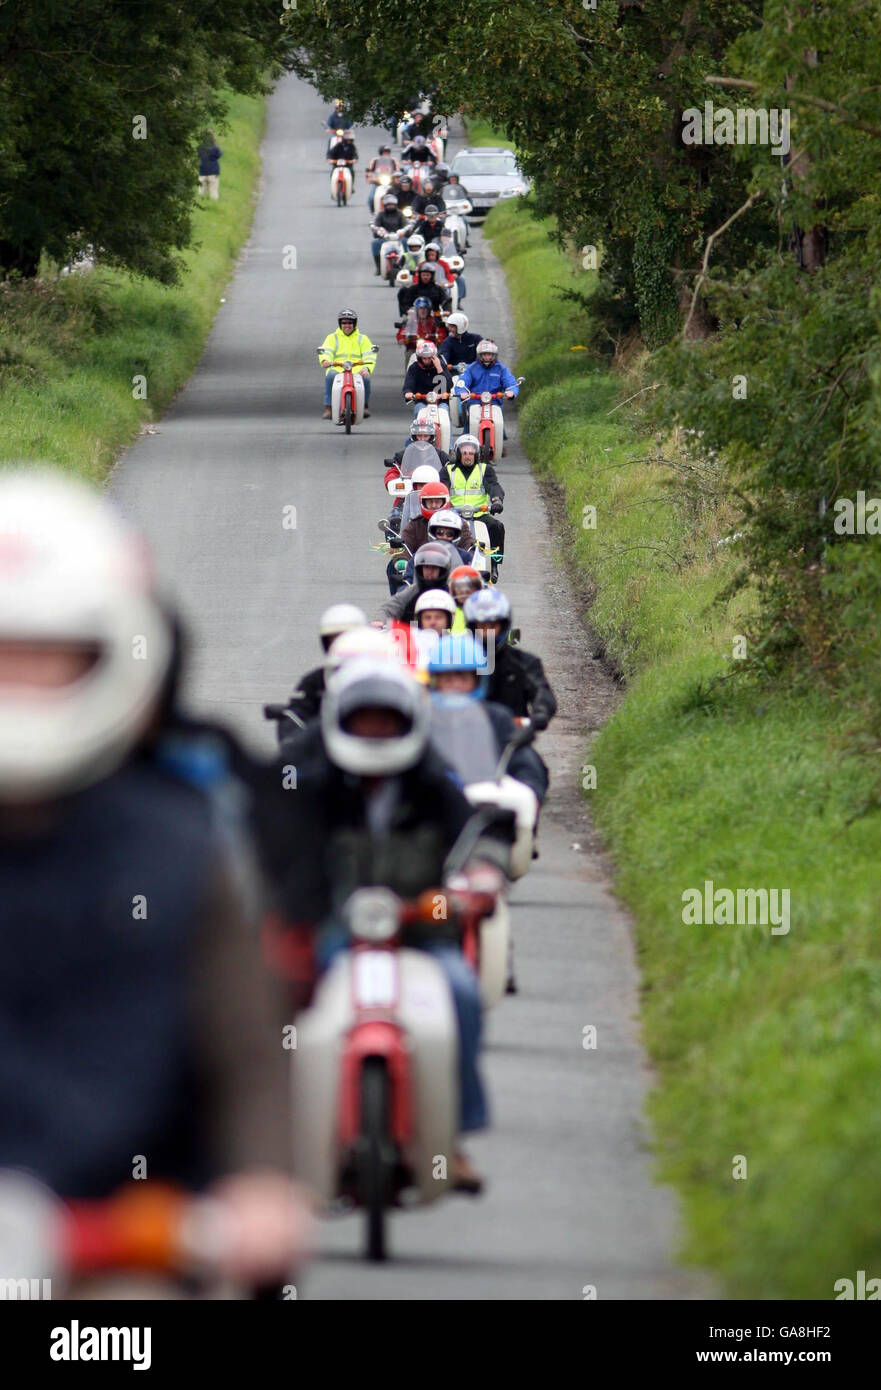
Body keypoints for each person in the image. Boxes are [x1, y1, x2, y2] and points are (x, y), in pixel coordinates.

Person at [0, 470, 311, 1292]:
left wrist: (261, 1189)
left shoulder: (178, 849)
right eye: (2, 655)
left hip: (121, 1246)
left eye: (50, 656)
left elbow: (246, 1047)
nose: (21, 680)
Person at [255, 659, 508, 1190]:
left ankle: (453, 1139)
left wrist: (481, 877)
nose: (374, 730)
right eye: (364, 720)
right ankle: (276, 1138)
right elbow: (274, 847)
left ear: (407, 723)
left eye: (385, 720)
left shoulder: (432, 783)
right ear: (342, 722)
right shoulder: (313, 786)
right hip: (333, 930)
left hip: (422, 925)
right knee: (278, 1000)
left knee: (461, 991)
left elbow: (476, 836)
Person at [426, 632, 549, 806]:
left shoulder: (497, 717)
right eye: (447, 679)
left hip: (486, 808)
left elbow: (524, 763)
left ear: (478, 680)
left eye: (463, 678)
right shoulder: (420, 719)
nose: (455, 686)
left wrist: (529, 791)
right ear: (435, 682)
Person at [464, 589, 557, 733]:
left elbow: (541, 691)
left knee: (530, 757)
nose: (487, 632)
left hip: (513, 740)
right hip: (467, 738)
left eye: (492, 626)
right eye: (482, 627)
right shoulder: (459, 662)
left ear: (504, 626)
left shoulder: (524, 662)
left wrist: (541, 711)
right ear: (471, 627)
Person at [280, 604, 368, 732]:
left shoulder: (380, 678)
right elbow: (296, 713)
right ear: (326, 643)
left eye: (348, 637)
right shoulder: (316, 681)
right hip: (324, 747)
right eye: (335, 639)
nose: (342, 644)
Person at [440, 434, 506, 564]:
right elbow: (441, 489)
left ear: (476, 454)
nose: (468, 456)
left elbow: (493, 486)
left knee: (497, 527)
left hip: (479, 514)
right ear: (458, 454)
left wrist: (496, 500)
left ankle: (494, 562)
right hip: (454, 515)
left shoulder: (485, 470)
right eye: (464, 452)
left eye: (471, 452)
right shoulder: (447, 471)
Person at [319, 309, 376, 420]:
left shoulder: (362, 339)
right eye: (344, 322)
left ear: (354, 324)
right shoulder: (332, 338)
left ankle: (364, 406)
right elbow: (326, 351)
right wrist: (325, 360)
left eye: (350, 323)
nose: (347, 325)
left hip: (356, 370)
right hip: (337, 369)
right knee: (330, 376)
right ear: (340, 324)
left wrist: (367, 368)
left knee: (366, 379)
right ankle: (328, 408)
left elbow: (370, 355)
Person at [381, 541, 455, 624]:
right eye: (426, 567)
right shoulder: (412, 591)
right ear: (420, 569)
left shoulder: (452, 592)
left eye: (434, 568)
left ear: (442, 570)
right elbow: (390, 607)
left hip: (446, 635)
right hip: (413, 634)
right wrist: (380, 621)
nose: (429, 572)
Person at [453, 340, 519, 420]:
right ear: (479, 355)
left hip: (495, 402)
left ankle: (502, 432)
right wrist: (462, 392)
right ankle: (467, 431)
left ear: (494, 355)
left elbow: (510, 382)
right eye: (484, 354)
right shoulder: (471, 368)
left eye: (489, 354)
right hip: (475, 402)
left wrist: (511, 391)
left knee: (500, 425)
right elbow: (462, 381)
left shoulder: (501, 368)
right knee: (470, 423)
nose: (487, 357)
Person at [402, 492, 474, 564]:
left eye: (450, 533)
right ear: (431, 532)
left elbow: (468, 543)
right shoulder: (418, 557)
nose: (444, 536)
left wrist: (474, 556)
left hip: (455, 572)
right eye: (440, 532)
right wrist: (402, 560)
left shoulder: (458, 523)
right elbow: (404, 545)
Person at [403, 341, 454, 413]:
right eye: (424, 358)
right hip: (422, 401)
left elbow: (449, 385)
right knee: (419, 411)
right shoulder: (414, 368)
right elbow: (409, 382)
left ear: (434, 357)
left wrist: (439, 369)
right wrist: (408, 392)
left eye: (429, 358)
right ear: (419, 358)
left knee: (444, 412)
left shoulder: (441, 365)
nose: (427, 361)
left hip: (440, 402)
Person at [370, 193, 405, 275]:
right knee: (375, 244)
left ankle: (405, 265)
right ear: (385, 205)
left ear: (395, 205)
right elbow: (376, 225)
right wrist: (378, 231)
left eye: (392, 204)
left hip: (398, 237)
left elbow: (405, 224)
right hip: (385, 237)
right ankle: (379, 267)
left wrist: (404, 231)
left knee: (406, 242)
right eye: (388, 205)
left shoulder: (400, 214)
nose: (390, 206)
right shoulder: (381, 214)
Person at [448, 565, 484, 633]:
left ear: (477, 589)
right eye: (459, 587)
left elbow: (490, 642)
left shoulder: (485, 613)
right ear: (453, 590)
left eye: (469, 587)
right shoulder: (447, 613)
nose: (464, 591)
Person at [198, 132, 222, 199]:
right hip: (213, 172)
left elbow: (199, 155)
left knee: (201, 191)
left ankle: (201, 203)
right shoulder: (215, 148)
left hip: (202, 172)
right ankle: (214, 204)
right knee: (213, 192)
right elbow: (219, 155)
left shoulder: (200, 147)